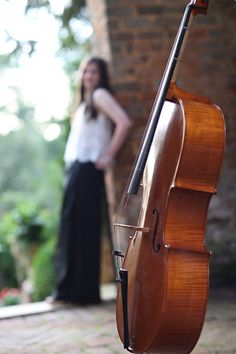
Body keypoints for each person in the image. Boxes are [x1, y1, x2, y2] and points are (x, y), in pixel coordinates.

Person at [50, 57, 132, 305]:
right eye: (86, 71)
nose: (89, 75)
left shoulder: (99, 96)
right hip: (76, 169)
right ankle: (75, 292)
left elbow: (124, 122)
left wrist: (108, 154)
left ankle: (78, 293)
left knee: (82, 230)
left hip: (87, 169)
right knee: (74, 229)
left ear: (101, 75)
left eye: (94, 71)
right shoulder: (85, 102)